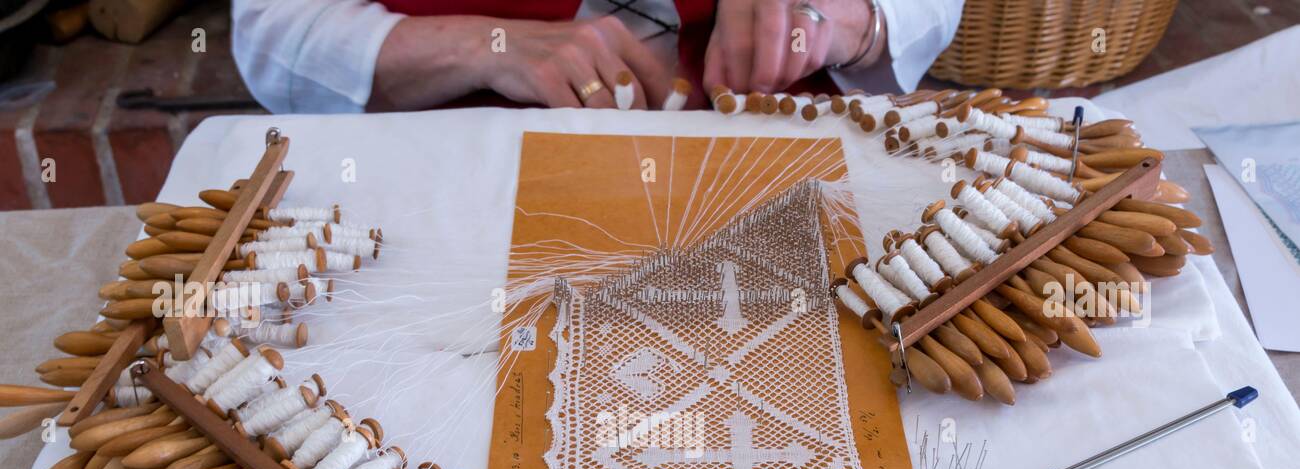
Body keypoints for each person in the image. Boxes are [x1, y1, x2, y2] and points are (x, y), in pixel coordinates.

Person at [232, 0, 964, 114]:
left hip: (775, 154)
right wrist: (482, 44)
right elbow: (268, 26)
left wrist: (848, 20)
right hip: (473, 178)